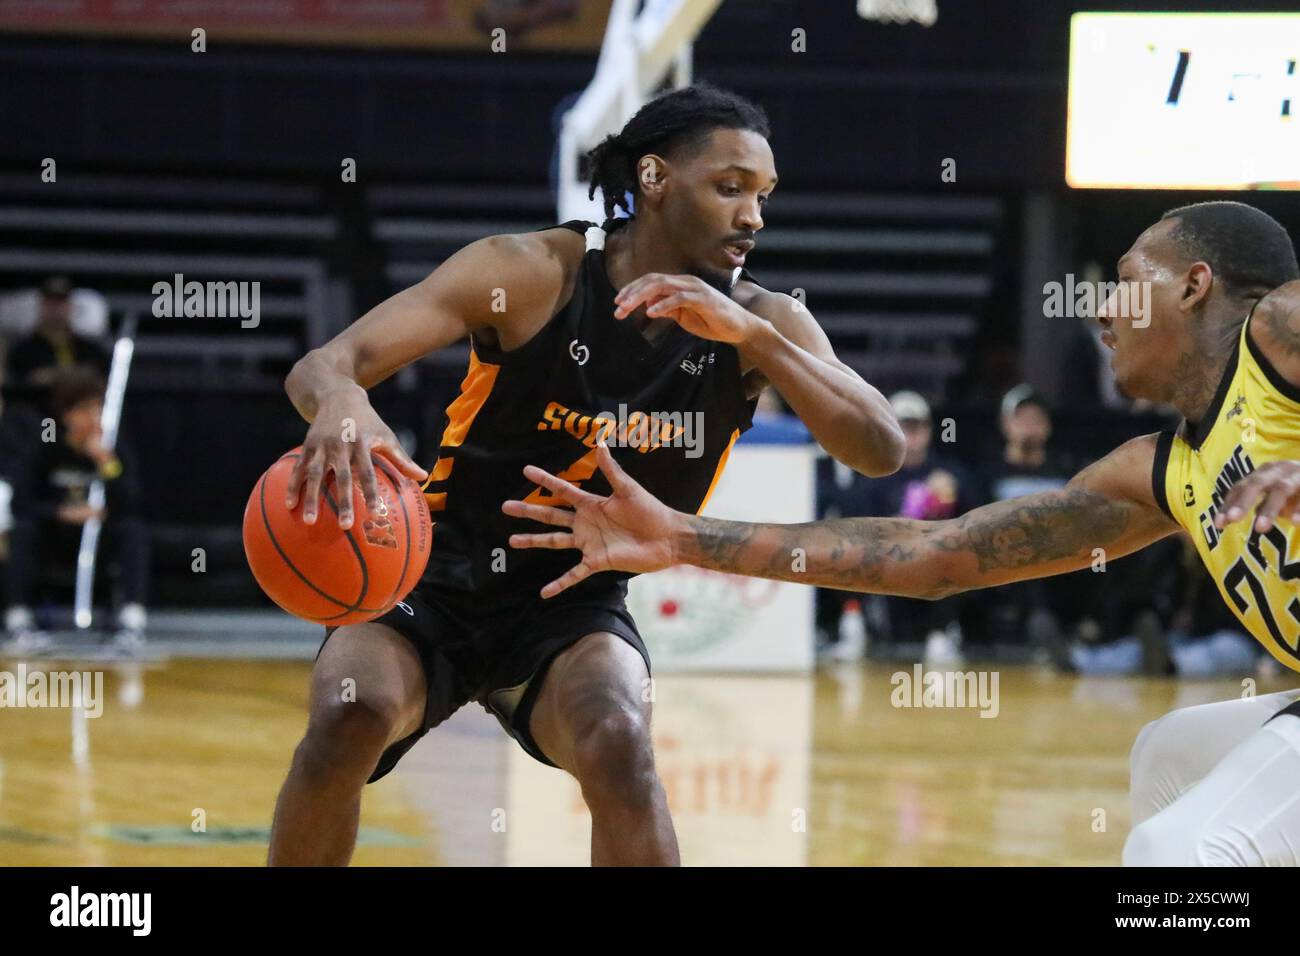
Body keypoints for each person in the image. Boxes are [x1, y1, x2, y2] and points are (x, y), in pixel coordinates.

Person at [505, 200, 1300, 866]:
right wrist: (682, 536)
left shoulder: (1276, 330)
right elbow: (937, 556)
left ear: (1195, 286)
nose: (1098, 309)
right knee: (1170, 759)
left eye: (1125, 284)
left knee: (1182, 853)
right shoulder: (1157, 470)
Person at [270, 84, 903, 866]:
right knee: (347, 716)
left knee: (620, 745)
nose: (754, 218)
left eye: (764, 195)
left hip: (572, 605)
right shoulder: (530, 272)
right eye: (730, 187)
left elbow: (880, 447)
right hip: (430, 577)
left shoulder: (762, 323)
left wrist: (759, 341)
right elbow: (326, 364)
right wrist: (339, 402)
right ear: (655, 177)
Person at [830, 389, 982, 663]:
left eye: (916, 428)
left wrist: (954, 492)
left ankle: (940, 633)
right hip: (883, 558)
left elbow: (976, 517)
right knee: (840, 544)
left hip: (935, 560)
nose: (911, 437)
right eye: (903, 427)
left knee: (964, 550)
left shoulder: (949, 472)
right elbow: (855, 522)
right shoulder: (869, 472)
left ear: (928, 430)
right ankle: (853, 625)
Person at [3, 368, 149, 652]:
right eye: (86, 409)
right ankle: (18, 621)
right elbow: (22, 502)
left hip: (97, 538)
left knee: (133, 532)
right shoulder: (46, 445)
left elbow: (131, 502)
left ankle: (132, 622)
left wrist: (107, 463)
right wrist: (60, 512)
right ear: (67, 414)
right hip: (54, 535)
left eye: (99, 407)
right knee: (22, 532)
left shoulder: (112, 448)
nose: (95, 417)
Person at [4, 276, 109, 393]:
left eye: (60, 302)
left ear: (70, 306)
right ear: (41, 306)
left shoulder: (91, 350)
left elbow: (101, 379)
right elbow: (20, 384)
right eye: (50, 302)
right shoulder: (24, 351)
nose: (55, 309)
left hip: (85, 408)